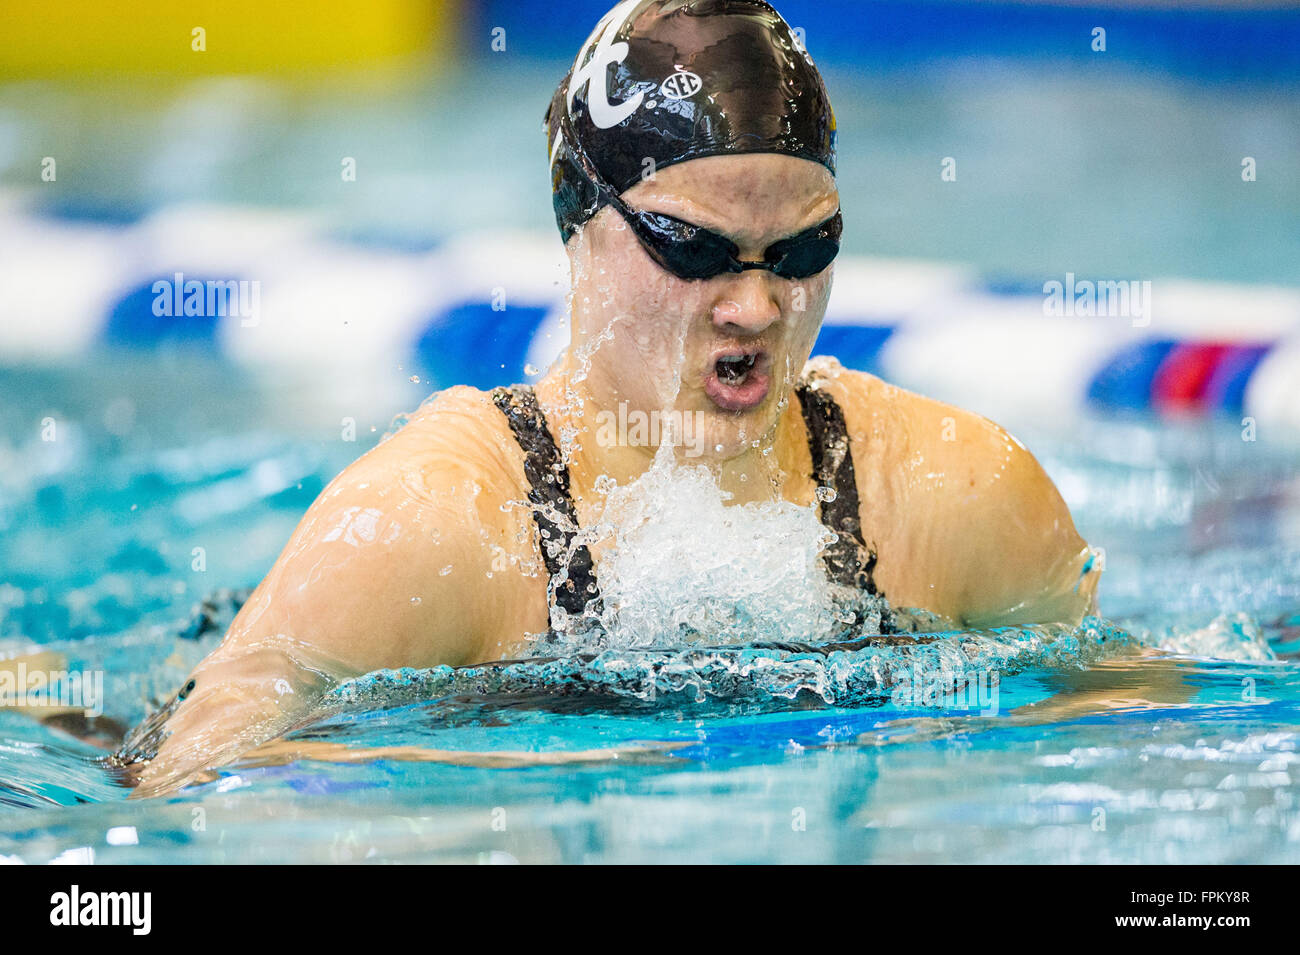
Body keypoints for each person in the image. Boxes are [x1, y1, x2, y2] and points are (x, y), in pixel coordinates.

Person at [121, 0, 1100, 797]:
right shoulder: (434, 524)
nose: (755, 305)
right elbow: (189, 779)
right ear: (576, 218)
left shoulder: (956, 491)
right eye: (693, 249)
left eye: (802, 251)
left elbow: (1122, 728)